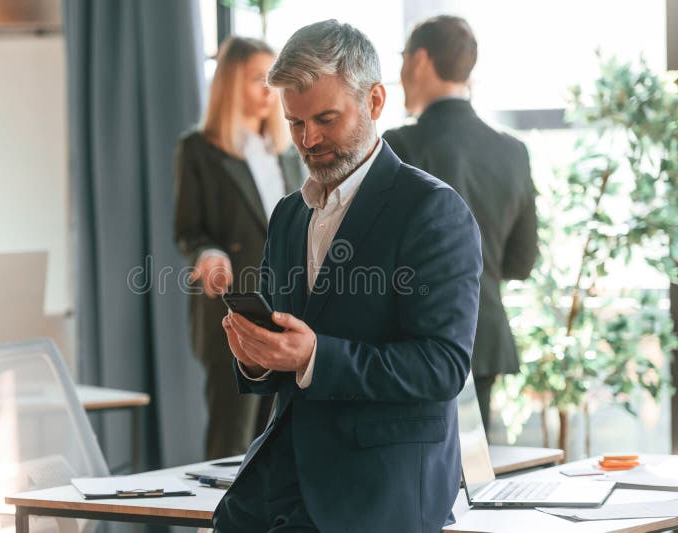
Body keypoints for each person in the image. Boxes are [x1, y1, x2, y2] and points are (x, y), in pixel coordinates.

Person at [215, 20, 482, 532]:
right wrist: (256, 357)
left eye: (326, 118)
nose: (308, 139)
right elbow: (284, 351)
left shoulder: (432, 211)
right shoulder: (289, 215)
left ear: (375, 101)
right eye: (295, 122)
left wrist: (314, 356)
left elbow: (442, 367)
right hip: (280, 484)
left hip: (376, 489)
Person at [383, 15, 537, 434]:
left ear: (419, 60)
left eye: (402, 59)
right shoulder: (513, 151)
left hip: (411, 345)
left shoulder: (398, 146)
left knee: (417, 468)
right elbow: (522, 261)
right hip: (483, 334)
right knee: (474, 468)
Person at [174, 36, 305, 460]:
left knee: (279, 437)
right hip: (232, 306)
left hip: (286, 308)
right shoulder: (199, 150)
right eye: (256, 79)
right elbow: (188, 230)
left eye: (272, 79)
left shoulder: (288, 153)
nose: (268, 89)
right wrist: (209, 255)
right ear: (230, 84)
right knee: (232, 437)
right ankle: (221, 505)